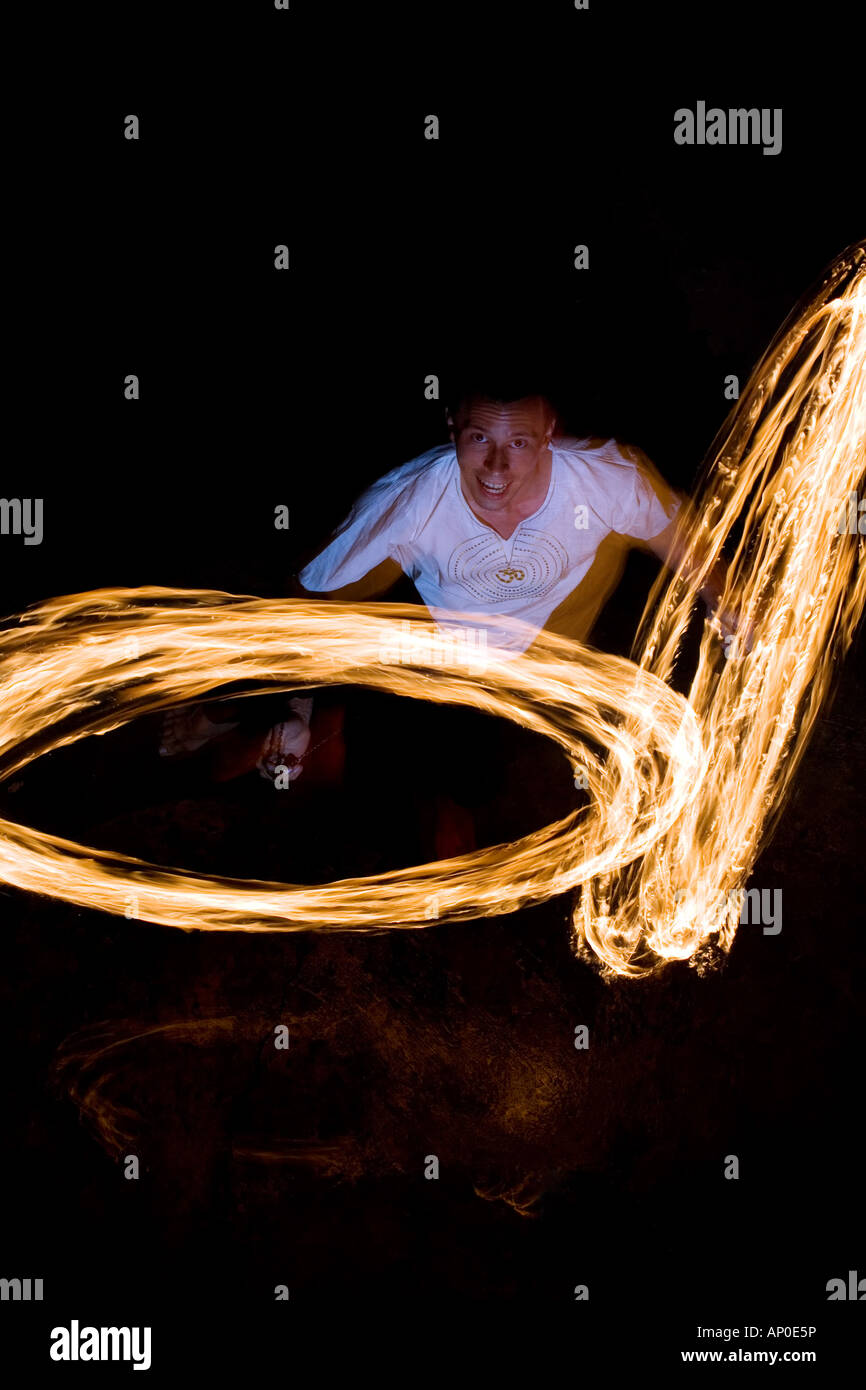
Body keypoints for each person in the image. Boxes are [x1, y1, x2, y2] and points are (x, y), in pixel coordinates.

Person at [160, 374, 731, 818]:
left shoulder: (606, 479)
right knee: (332, 772)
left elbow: (680, 540)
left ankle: (430, 782)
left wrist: (732, 610)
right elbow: (303, 599)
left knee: (475, 783)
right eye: (480, 438)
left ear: (549, 431)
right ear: (452, 426)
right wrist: (281, 703)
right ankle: (245, 718)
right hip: (436, 654)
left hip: (536, 666)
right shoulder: (408, 498)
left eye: (521, 442)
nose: (498, 469)